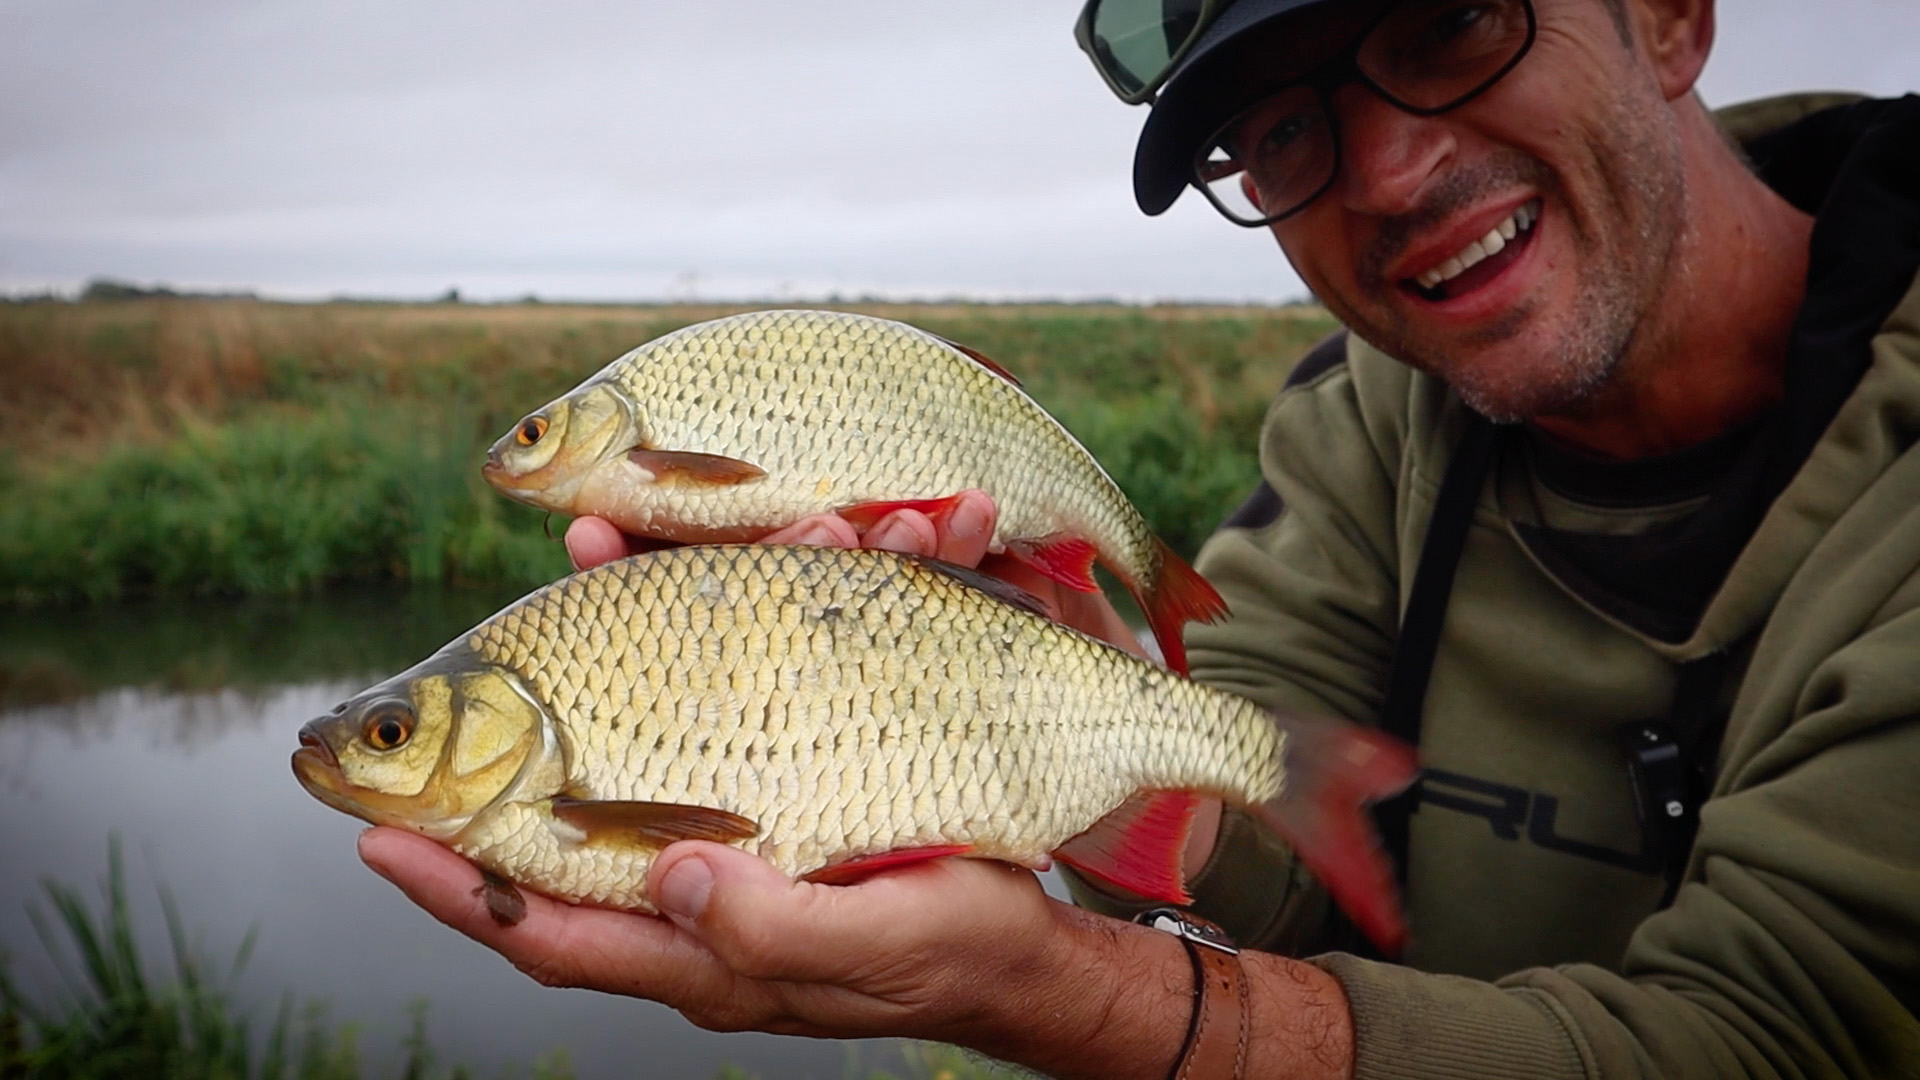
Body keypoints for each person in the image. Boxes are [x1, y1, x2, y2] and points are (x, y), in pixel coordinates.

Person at [358, 0, 1920, 1075]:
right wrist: (1009, 706)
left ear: (1669, 16)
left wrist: (1064, 994)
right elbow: (1293, 851)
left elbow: (1774, 1045)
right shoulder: (1364, 419)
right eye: (1286, 128)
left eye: (1449, 21)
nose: (1385, 172)